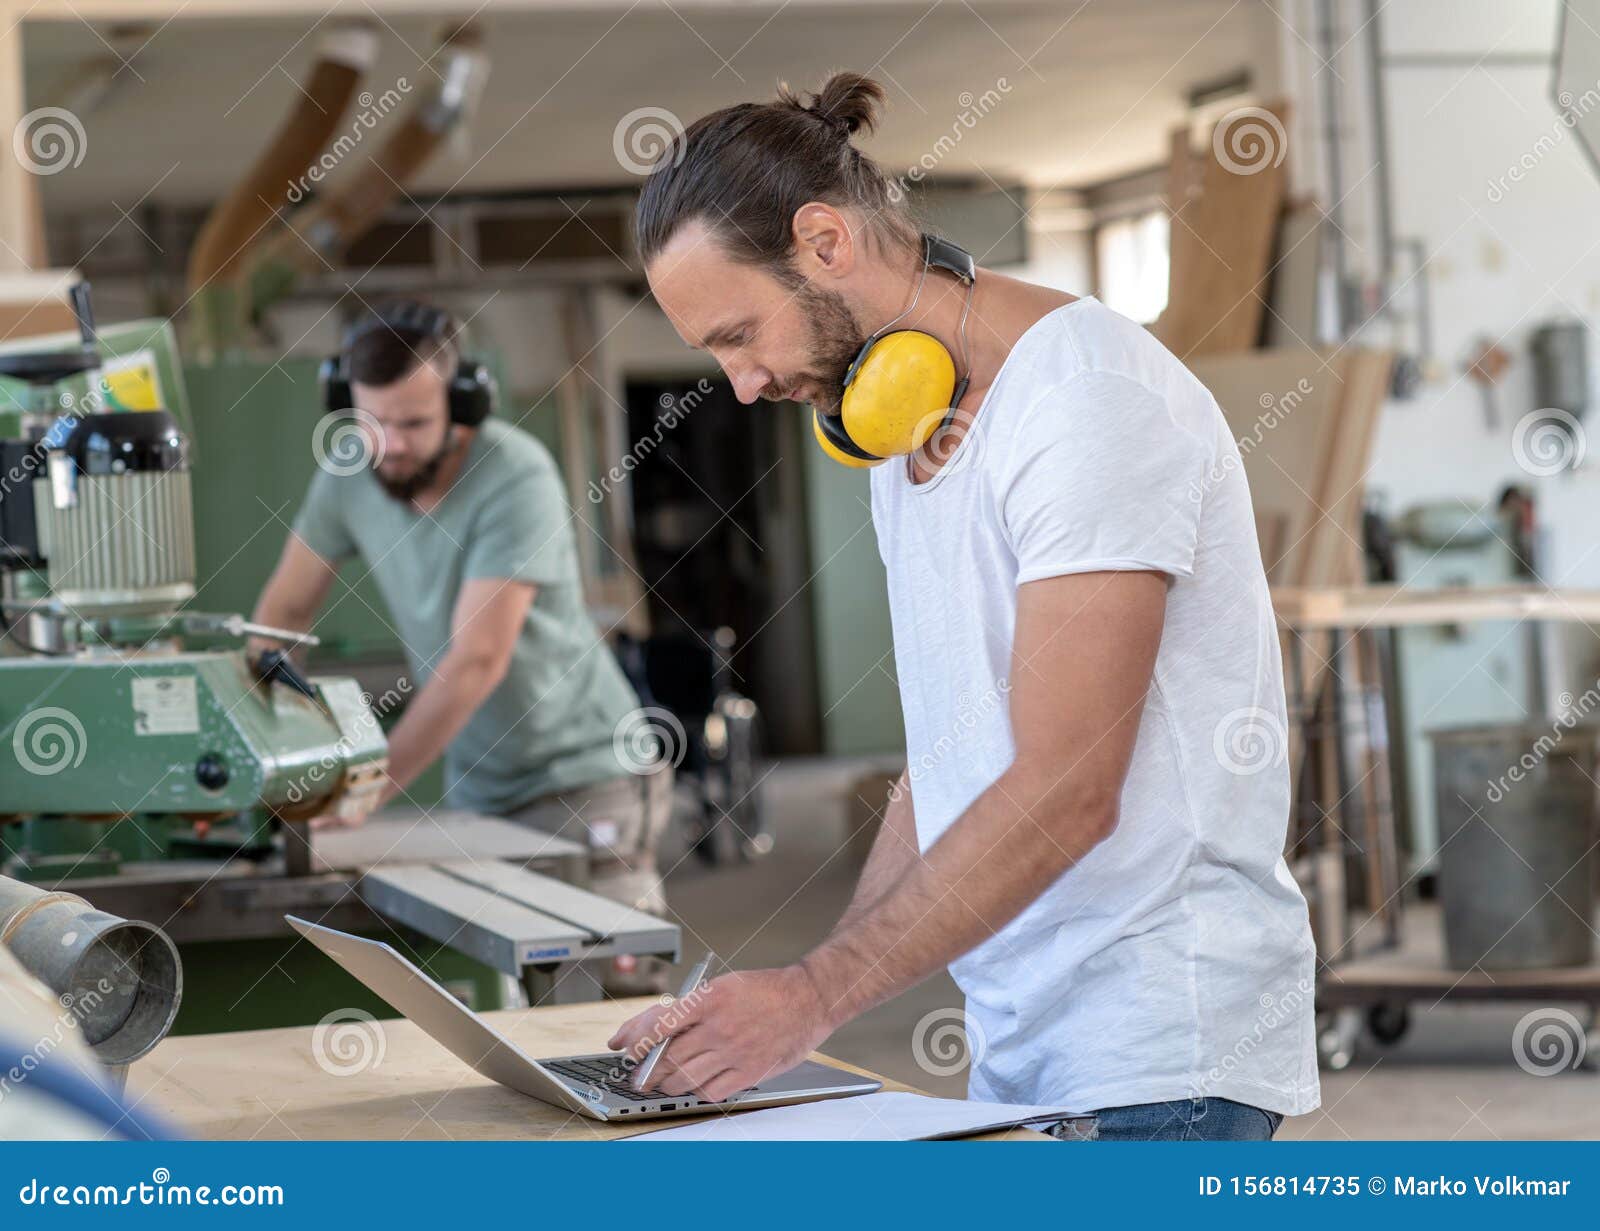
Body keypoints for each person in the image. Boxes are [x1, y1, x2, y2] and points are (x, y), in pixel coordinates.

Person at [606, 73, 1321, 1139]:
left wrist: (815, 993)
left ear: (825, 242)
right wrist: (806, 996)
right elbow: (948, 762)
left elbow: (1070, 790)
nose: (741, 383)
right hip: (1024, 1043)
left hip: (1160, 1058)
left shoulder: (1085, 403)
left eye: (737, 333)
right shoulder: (900, 434)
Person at [252, 301, 671, 994]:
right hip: (480, 789)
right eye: (372, 420)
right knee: (509, 999)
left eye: (414, 422)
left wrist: (363, 791)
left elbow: (477, 659)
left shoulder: (517, 476)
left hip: (589, 775)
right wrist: (274, 751)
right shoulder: (348, 474)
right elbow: (284, 615)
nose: (389, 443)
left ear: (465, 402)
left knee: (601, 1000)